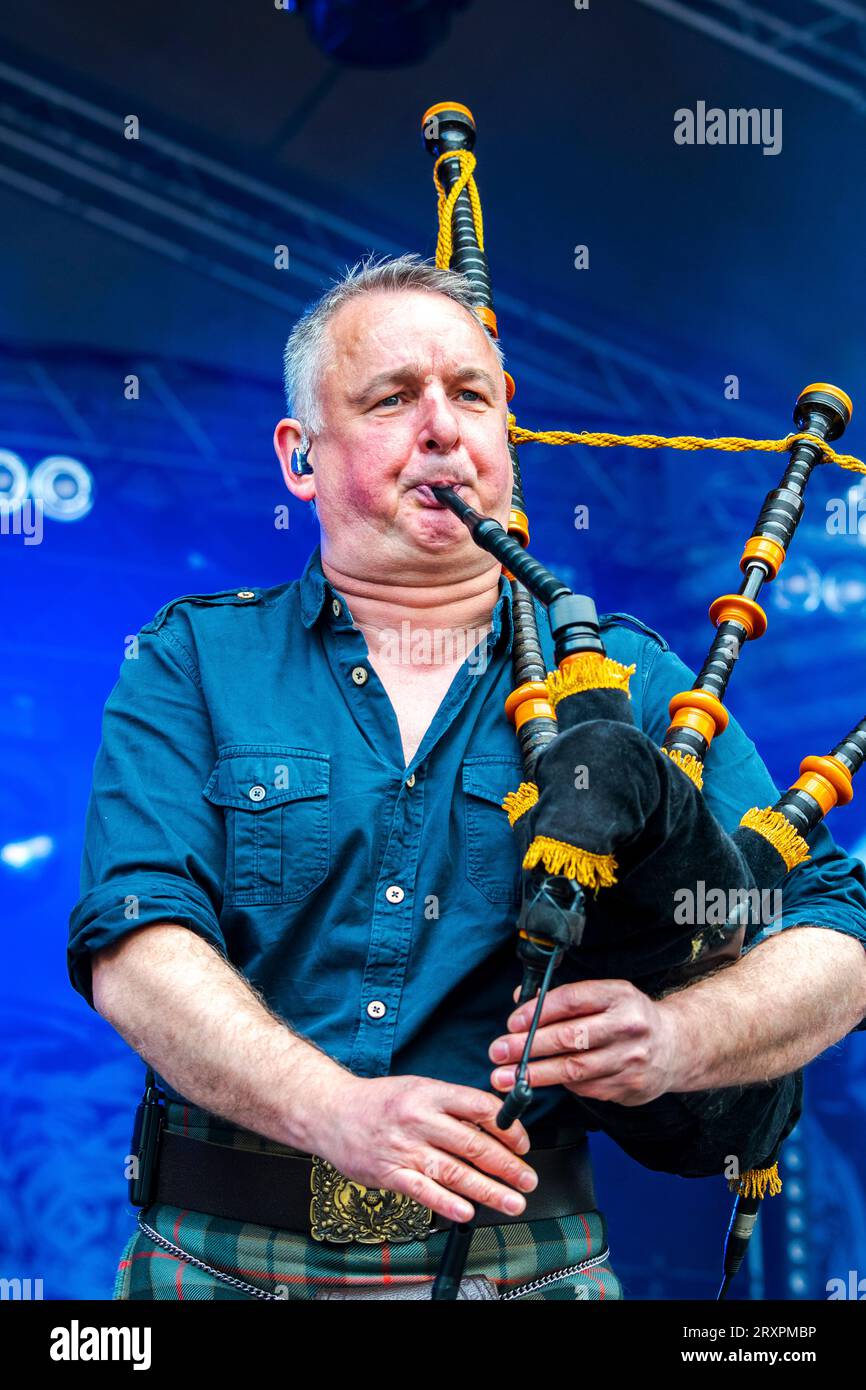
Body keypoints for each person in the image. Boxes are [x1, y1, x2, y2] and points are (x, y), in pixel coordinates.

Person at [68, 254, 866, 1301]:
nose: (441, 427)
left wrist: (678, 1038)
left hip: (520, 1269)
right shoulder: (191, 662)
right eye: (393, 397)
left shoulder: (625, 680)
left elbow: (833, 929)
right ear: (299, 457)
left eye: (472, 395)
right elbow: (135, 943)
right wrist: (333, 1111)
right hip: (218, 1263)